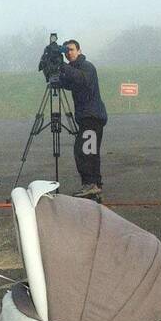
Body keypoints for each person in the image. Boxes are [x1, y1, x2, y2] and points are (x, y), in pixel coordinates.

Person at [57, 39, 108, 200]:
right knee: (89, 151)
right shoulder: (73, 69)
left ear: (79, 51)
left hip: (92, 117)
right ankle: (94, 184)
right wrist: (52, 72)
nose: (68, 53)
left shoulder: (87, 67)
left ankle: (91, 184)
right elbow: (67, 82)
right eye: (66, 51)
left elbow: (80, 79)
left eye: (71, 50)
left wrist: (62, 65)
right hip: (87, 118)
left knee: (85, 151)